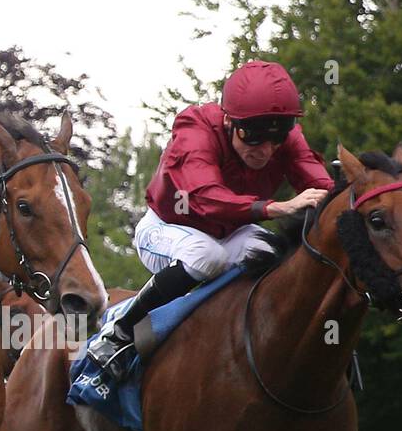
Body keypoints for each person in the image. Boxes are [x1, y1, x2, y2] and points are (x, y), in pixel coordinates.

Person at [84, 60, 332, 380]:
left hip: (230, 233)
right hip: (167, 229)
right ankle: (118, 334)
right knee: (206, 255)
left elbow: (323, 186)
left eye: (277, 137)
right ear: (229, 121)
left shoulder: (283, 139)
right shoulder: (195, 129)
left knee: (274, 253)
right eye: (253, 136)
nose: (265, 150)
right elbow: (205, 197)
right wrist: (274, 208)